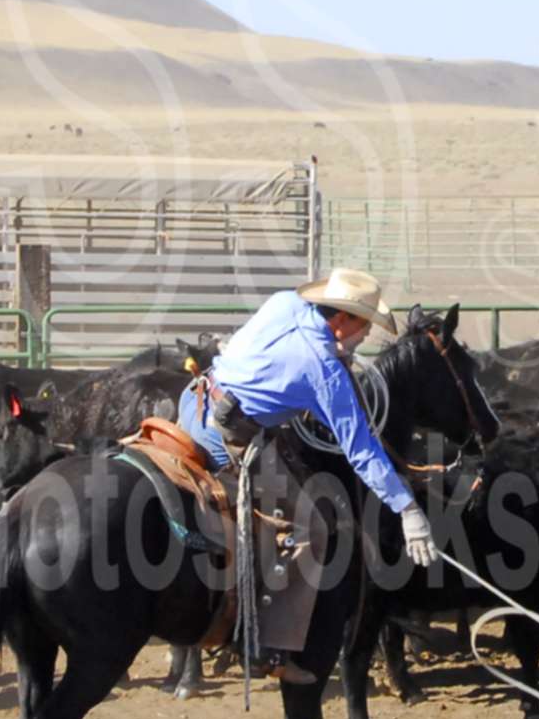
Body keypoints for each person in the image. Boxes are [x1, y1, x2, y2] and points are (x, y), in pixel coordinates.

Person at [177, 269, 437, 680]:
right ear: (343, 320)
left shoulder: (284, 301)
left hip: (195, 402)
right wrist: (407, 508)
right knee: (310, 526)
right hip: (227, 438)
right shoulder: (324, 370)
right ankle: (269, 646)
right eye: (364, 325)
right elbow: (361, 451)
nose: (366, 335)